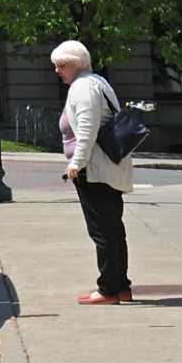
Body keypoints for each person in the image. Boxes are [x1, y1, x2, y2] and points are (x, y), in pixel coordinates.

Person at [53, 40, 134, 304]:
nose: (57, 71)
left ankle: (109, 289)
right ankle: (120, 286)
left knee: (102, 231)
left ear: (75, 65)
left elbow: (86, 131)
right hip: (105, 167)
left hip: (95, 170)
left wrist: (76, 164)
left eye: (61, 65)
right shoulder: (97, 82)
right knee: (112, 229)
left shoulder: (83, 88)